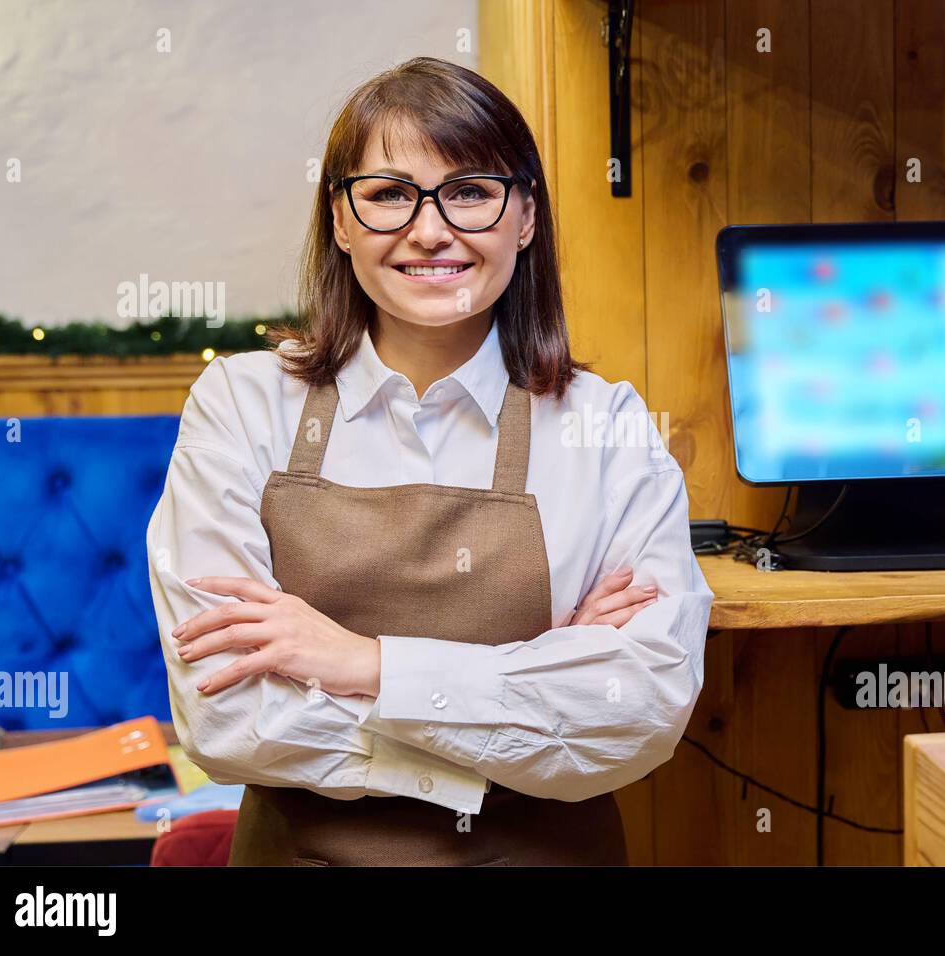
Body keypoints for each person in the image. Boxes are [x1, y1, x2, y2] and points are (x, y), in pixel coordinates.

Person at [145, 57, 714, 866]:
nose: (430, 229)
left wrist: (361, 663)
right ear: (340, 221)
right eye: (387, 194)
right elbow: (227, 721)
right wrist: (534, 684)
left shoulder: (603, 422)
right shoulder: (240, 405)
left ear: (524, 216)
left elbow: (637, 709)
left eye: (470, 191)